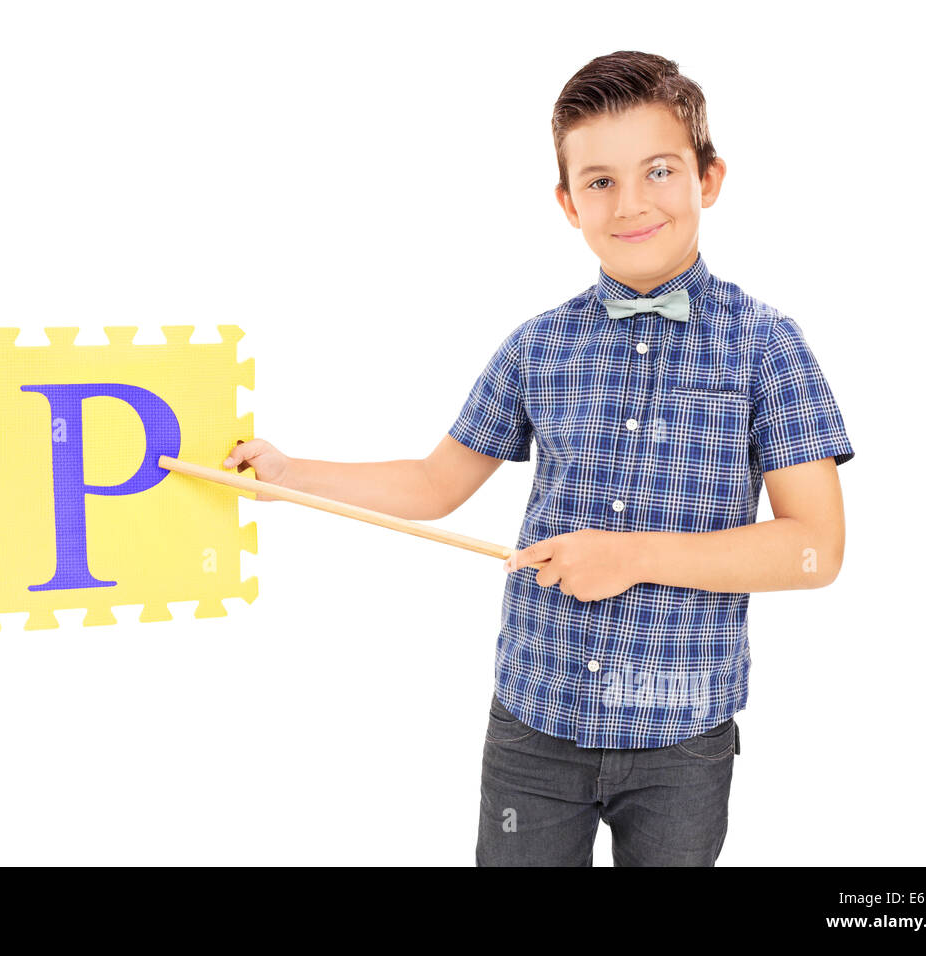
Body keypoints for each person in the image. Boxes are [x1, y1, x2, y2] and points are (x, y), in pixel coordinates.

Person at [221, 50, 854, 866]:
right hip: (534, 725)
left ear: (710, 177)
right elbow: (433, 482)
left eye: (659, 171)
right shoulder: (539, 346)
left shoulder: (767, 347)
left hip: (682, 737)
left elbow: (816, 548)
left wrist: (632, 557)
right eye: (599, 182)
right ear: (567, 203)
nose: (630, 204)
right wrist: (291, 475)